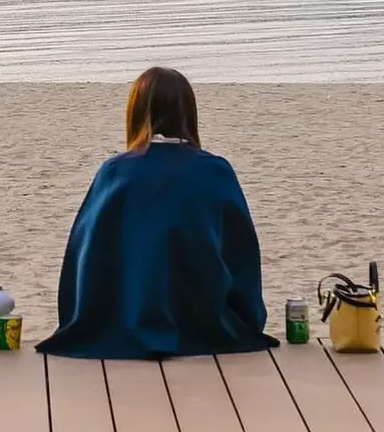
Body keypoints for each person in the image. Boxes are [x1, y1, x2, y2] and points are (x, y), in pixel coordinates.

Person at [38, 66, 277, 360]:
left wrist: (81, 319)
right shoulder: (215, 171)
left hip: (121, 322)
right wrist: (247, 319)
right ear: (188, 113)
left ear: (135, 112)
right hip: (207, 322)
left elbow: (85, 256)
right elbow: (242, 259)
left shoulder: (115, 173)